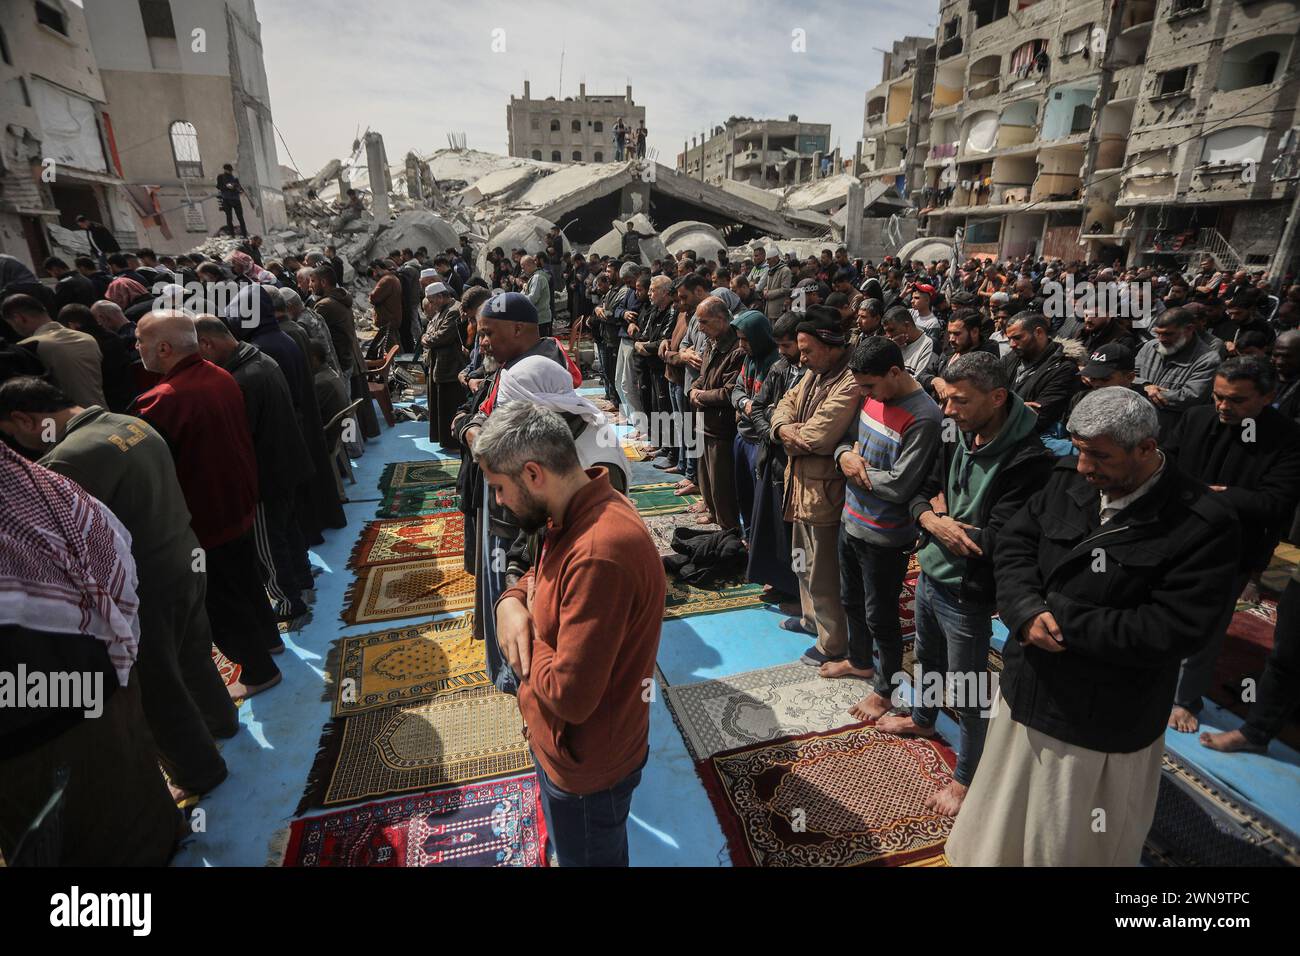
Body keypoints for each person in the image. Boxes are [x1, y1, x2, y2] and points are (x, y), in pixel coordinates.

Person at [946, 388, 1240, 866]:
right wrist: (1022, 609)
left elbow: (1176, 627)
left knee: (1066, 839)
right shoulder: (1069, 479)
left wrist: (1061, 620)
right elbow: (1018, 541)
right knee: (1001, 823)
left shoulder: (1202, 523)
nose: (1084, 468)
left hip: (1100, 718)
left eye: (1099, 456)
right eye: (1079, 451)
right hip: (1029, 687)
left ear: (1146, 448)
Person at [0, 376, 238, 801]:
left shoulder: (65, 462)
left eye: (12, 433)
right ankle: (221, 721)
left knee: (157, 682)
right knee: (193, 651)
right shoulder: (130, 423)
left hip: (148, 581)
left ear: (23, 418)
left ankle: (199, 771)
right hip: (185, 554)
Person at [482, 402, 662, 866]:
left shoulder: (600, 550)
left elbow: (571, 695)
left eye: (500, 489)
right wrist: (511, 601)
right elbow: (540, 573)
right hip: (573, 748)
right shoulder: (576, 506)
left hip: (586, 765)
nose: (499, 502)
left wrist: (526, 636)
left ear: (534, 474)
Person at [876, 352, 1053, 816]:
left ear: (997, 398)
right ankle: (923, 720)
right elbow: (920, 491)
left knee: (970, 686)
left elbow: (995, 539)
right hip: (934, 570)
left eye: (960, 401)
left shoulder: (1029, 459)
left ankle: (967, 777)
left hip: (970, 589)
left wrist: (939, 518)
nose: (948, 411)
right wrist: (935, 520)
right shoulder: (957, 430)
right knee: (928, 658)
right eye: (945, 399)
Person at [0, 442, 182, 866]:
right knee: (129, 797)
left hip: (28, 730)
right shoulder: (50, 487)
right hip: (102, 665)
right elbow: (116, 554)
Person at [131, 310, 282, 698]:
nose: (136, 348)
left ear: (163, 348)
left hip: (204, 517)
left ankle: (258, 670)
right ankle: (269, 641)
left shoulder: (160, 401)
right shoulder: (221, 376)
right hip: (238, 501)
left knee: (220, 598)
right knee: (246, 580)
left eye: (140, 341)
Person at [1165, 357, 1300, 732]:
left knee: (1205, 625)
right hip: (1174, 533)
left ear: (1267, 396)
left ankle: (1182, 697)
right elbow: (1166, 463)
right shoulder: (1195, 418)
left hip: (1232, 546)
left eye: (1236, 400)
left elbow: (1277, 504)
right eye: (1218, 397)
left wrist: (1218, 497)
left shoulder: (1287, 438)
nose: (1224, 407)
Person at [457, 292, 581, 695]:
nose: (482, 342)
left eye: (489, 333)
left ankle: (520, 678)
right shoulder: (514, 365)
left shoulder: (536, 373)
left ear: (519, 329)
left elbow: (506, 439)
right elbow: (481, 415)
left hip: (513, 513)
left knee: (516, 586)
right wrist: (472, 427)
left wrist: (477, 432)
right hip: (499, 499)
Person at [828, 336, 943, 720]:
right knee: (851, 600)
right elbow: (848, 442)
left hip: (885, 535)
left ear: (895, 372)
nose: (863, 393)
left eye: (869, 386)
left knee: (882, 615)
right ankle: (860, 660)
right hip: (852, 519)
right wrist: (845, 456)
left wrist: (858, 471)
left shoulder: (924, 416)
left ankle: (885, 689)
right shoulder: (872, 394)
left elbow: (901, 485)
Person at [194, 316, 315, 624]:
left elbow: (242, 434)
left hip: (267, 473)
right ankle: (302, 580)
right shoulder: (258, 358)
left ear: (207, 343)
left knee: (268, 541)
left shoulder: (242, 378)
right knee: (288, 528)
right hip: (287, 464)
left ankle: (288, 601)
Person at [769, 307, 860, 652]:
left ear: (830, 344)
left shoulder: (849, 378)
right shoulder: (816, 371)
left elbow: (819, 436)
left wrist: (788, 433)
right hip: (800, 484)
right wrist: (782, 428)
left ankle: (832, 643)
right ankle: (810, 621)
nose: (801, 358)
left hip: (825, 493)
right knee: (802, 563)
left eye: (807, 350)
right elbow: (785, 403)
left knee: (823, 574)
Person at [745, 311, 804, 602]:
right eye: (779, 346)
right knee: (770, 525)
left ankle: (795, 591)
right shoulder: (779, 368)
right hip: (773, 454)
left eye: (788, 346)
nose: (782, 352)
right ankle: (776, 580)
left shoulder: (811, 372)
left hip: (797, 463)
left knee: (792, 532)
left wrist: (775, 418)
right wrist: (773, 431)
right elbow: (758, 407)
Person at [688, 296, 745, 530]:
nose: (700, 328)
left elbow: (729, 392)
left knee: (722, 484)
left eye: (704, 322)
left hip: (721, 425)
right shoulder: (712, 341)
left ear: (721, 320)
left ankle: (728, 529)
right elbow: (703, 375)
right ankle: (713, 513)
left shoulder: (736, 348)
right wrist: (694, 389)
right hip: (704, 420)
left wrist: (699, 396)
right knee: (706, 478)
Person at [311, 264, 379, 439]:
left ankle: (352, 443)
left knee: (345, 408)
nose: (310, 285)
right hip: (351, 357)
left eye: (313, 281)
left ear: (324, 282)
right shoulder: (341, 298)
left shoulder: (324, 306)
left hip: (342, 361)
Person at [1, 293, 105, 407]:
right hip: (101, 412)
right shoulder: (87, 338)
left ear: (19, 318)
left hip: (69, 420)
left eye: (11, 324)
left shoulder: (27, 347)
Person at [1135, 306, 1220, 441]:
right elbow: (1130, 376)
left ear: (1189, 329)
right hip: (1137, 426)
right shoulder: (1149, 347)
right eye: (1158, 333)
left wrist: (1148, 392)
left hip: (1171, 434)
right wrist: (1145, 385)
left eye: (1168, 334)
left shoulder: (1208, 359)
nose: (1161, 339)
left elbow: (1191, 398)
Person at [729, 309, 778, 539]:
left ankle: (759, 545)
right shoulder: (748, 359)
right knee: (743, 494)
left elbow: (769, 408)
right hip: (742, 436)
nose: (741, 345)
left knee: (760, 500)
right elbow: (737, 390)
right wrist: (745, 404)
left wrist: (749, 408)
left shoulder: (776, 364)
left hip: (760, 442)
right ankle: (747, 538)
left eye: (745, 339)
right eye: (739, 338)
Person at [1000, 311, 1080, 434]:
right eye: (1009, 339)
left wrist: (1000, 405)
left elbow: (1036, 418)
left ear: (1039, 332)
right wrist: (1016, 407)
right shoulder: (1011, 358)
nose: (1012, 344)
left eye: (1017, 338)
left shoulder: (1064, 368)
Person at [421, 282, 473, 449]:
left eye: (432, 300)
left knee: (451, 405)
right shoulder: (443, 310)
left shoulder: (453, 311)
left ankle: (454, 440)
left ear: (440, 297)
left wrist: (426, 339)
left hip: (452, 366)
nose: (431, 304)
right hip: (442, 364)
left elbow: (441, 337)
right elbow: (430, 330)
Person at [521, 255, 553, 338]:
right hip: (539, 318)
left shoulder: (537, 278)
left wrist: (519, 300)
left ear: (529, 265)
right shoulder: (534, 277)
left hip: (540, 319)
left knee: (539, 347)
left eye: (523, 267)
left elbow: (532, 298)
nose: (522, 270)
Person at [216, 163, 248, 237]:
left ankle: (244, 234)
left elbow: (239, 188)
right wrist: (227, 186)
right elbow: (219, 186)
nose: (230, 172)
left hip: (235, 199)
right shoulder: (221, 177)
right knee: (229, 217)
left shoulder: (234, 178)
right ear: (225, 170)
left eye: (230, 170)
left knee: (240, 217)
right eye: (228, 170)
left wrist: (240, 190)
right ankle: (232, 234)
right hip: (227, 199)